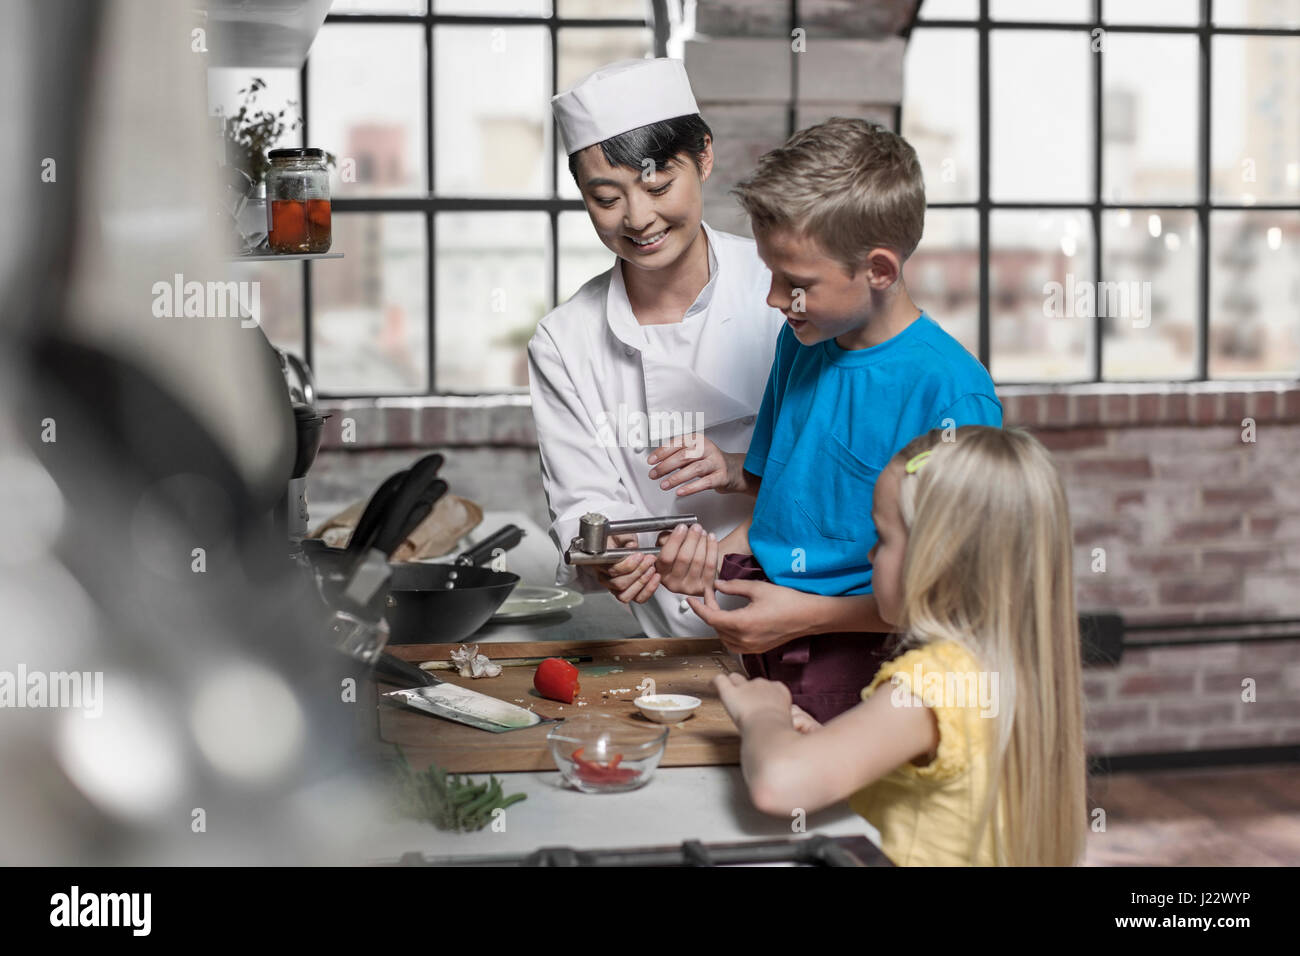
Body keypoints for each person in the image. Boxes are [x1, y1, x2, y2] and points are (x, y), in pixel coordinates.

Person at [650, 118, 1003, 720]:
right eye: (770, 274)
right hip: (764, 628)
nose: (772, 299)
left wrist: (805, 615)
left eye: (796, 283)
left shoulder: (952, 396)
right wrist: (702, 560)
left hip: (867, 661)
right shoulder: (803, 339)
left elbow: (957, 602)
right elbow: (776, 500)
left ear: (881, 271)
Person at [712, 426, 1088, 866]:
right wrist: (833, 743)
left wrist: (764, 711)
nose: (870, 557)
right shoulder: (1010, 664)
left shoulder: (934, 681)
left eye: (884, 538)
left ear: (938, 558)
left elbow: (778, 784)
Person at [528, 58, 784, 639]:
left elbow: (838, 471)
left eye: (658, 185)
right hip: (663, 643)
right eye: (605, 197)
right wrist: (608, 552)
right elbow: (582, 505)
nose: (638, 218)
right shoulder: (565, 341)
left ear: (705, 158)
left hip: (798, 620)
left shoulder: (782, 284)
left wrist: (736, 490)